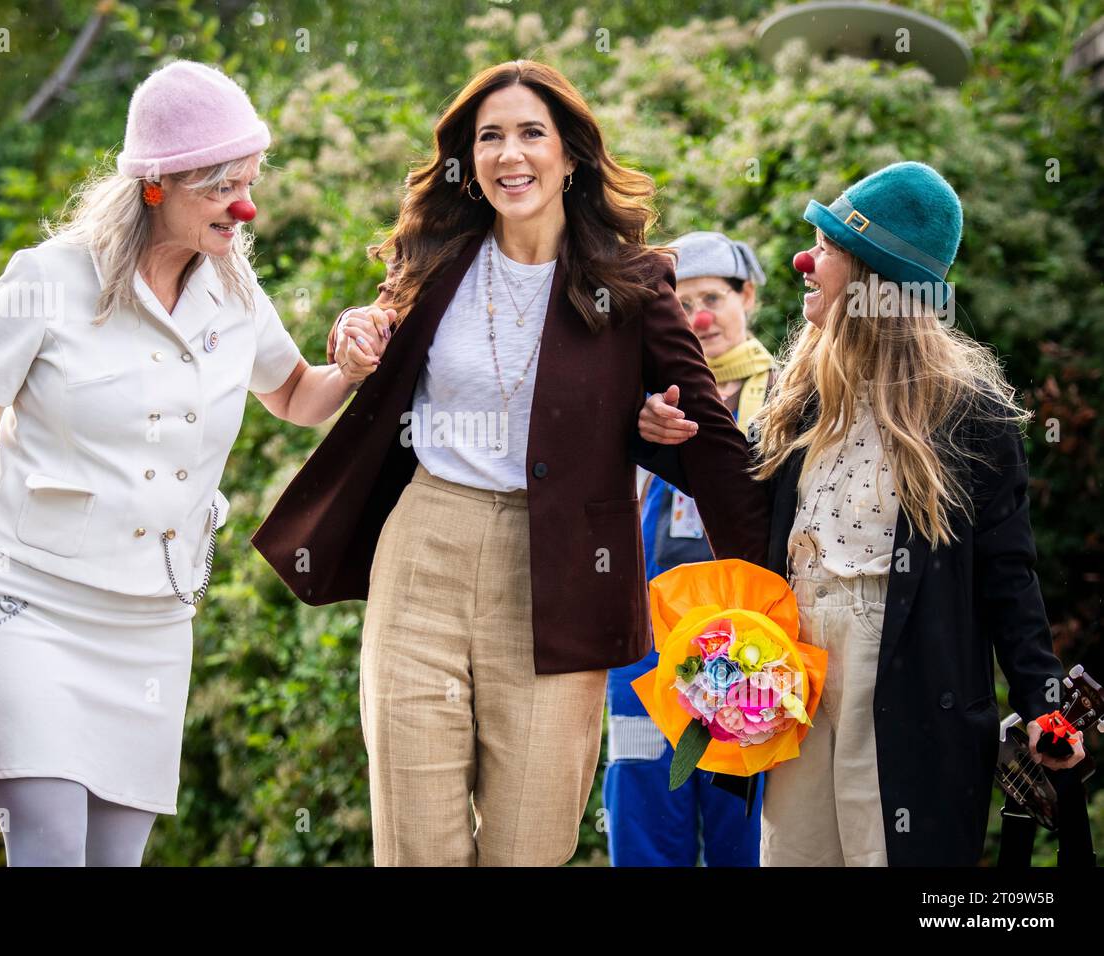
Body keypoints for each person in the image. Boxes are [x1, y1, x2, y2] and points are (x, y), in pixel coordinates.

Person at [0, 60, 388, 867]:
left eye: (251, 180)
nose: (246, 206)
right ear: (156, 185)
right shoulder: (46, 281)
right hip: (20, 594)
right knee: (52, 847)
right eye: (220, 186)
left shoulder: (235, 291)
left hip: (151, 616)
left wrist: (353, 370)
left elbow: (297, 394)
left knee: (112, 862)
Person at [251, 59, 769, 867]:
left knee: (531, 843)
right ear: (469, 159)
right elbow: (374, 347)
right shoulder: (433, 259)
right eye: (489, 136)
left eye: (532, 133)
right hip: (425, 548)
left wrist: (777, 587)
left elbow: (710, 440)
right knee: (416, 843)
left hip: (564, 570)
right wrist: (356, 331)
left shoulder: (632, 283)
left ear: (571, 157)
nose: (509, 153)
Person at [634, 161, 1085, 866]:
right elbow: (739, 487)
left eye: (829, 248)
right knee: (796, 851)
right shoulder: (804, 388)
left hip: (907, 672)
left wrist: (1043, 699)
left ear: (877, 278)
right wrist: (658, 433)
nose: (805, 261)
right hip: (799, 663)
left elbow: (1009, 576)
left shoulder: (968, 412)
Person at [605, 231, 775, 867]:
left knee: (744, 816)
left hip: (751, 636)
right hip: (646, 640)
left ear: (747, 297)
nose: (700, 317)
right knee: (646, 807)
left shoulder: (789, 393)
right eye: (682, 304)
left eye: (712, 298)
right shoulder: (641, 397)